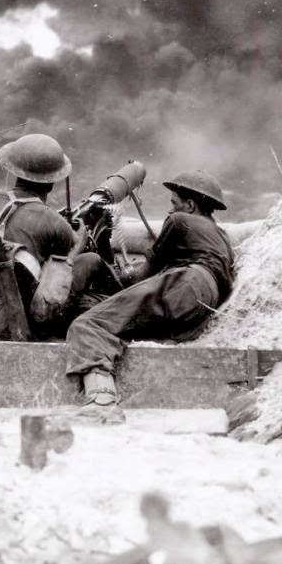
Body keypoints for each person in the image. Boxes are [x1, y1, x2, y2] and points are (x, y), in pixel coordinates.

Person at [64, 170, 236, 405]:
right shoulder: (221, 235)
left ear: (190, 205)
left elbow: (148, 273)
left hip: (185, 285)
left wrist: (122, 277)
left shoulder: (179, 221)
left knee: (89, 324)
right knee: (117, 321)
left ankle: (100, 401)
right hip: (202, 301)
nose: (170, 210)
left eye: (174, 203)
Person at [0, 133, 116, 340]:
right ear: (51, 183)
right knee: (92, 260)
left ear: (15, 170)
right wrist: (78, 245)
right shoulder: (52, 221)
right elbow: (60, 274)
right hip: (6, 322)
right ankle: (122, 300)